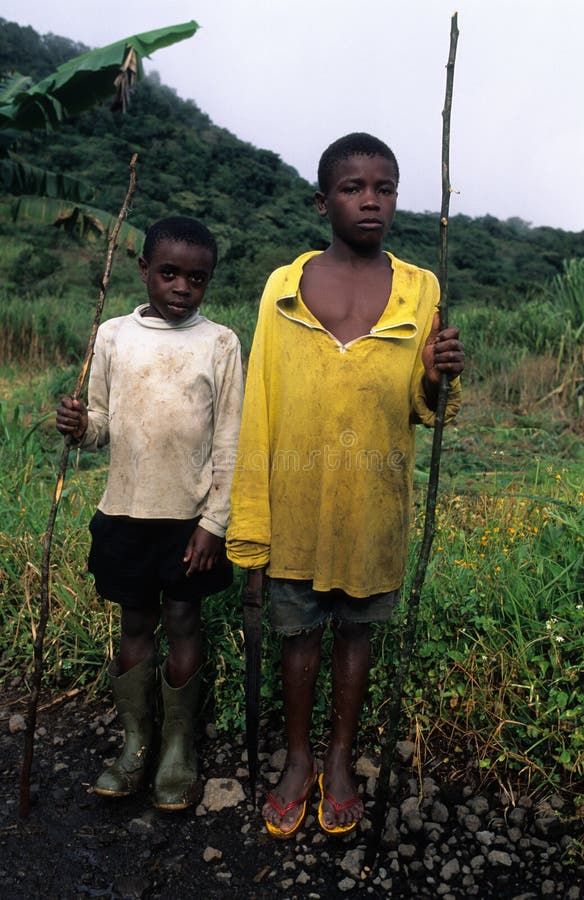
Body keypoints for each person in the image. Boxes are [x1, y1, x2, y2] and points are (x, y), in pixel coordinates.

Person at [226, 133, 464, 839]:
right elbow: (261, 400)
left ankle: (339, 757)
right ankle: (298, 759)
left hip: (372, 501)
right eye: (353, 187)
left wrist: (437, 376)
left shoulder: (422, 288)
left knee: (356, 633)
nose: (370, 200)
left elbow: (426, 407)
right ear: (322, 201)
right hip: (294, 501)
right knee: (298, 634)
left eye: (384, 188)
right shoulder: (284, 286)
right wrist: (252, 519)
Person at [56, 216, 243, 810]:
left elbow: (230, 442)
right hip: (125, 513)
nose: (182, 288)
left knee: (184, 621)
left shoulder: (220, 343)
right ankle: (136, 744)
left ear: (208, 281)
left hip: (189, 523)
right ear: (144, 270)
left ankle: (177, 750)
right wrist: (79, 426)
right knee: (134, 625)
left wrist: (214, 523)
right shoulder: (113, 335)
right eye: (169, 273)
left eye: (197, 278)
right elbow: (101, 425)